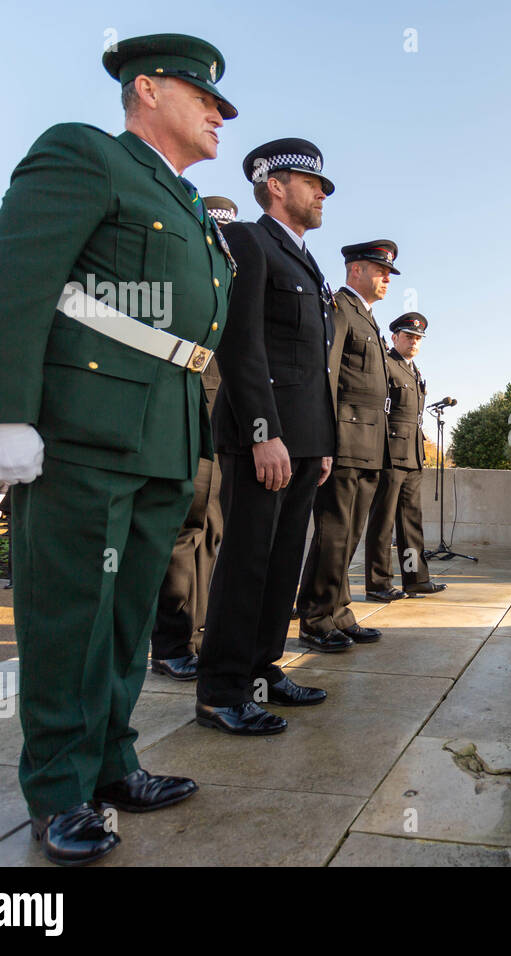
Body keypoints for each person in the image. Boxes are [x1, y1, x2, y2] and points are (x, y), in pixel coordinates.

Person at [0, 33, 237, 864]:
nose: (218, 115)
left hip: (163, 431)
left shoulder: (189, 203)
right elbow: (15, 275)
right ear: (147, 89)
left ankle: (112, 762)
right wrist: (3, 414)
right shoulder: (84, 154)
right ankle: (59, 790)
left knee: (125, 619)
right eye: (205, 99)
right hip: (85, 425)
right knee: (69, 614)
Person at [197, 141, 338, 734]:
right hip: (267, 436)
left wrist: (321, 442)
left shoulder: (306, 259)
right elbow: (241, 343)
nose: (322, 194)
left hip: (304, 440)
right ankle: (221, 692)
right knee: (248, 560)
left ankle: (261, 670)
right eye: (313, 185)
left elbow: (311, 363)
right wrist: (263, 432)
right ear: (275, 186)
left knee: (282, 563)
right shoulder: (251, 243)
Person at [149, 196, 237, 682]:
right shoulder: (184, 271)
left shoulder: (228, 281)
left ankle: (195, 634)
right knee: (185, 533)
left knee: (212, 532)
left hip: (222, 419)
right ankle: (169, 643)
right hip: (189, 413)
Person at [296, 240, 399, 645]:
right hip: (343, 441)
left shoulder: (368, 318)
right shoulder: (339, 309)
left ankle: (339, 611)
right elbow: (327, 373)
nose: (386, 278)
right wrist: (325, 441)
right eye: (379, 270)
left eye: (388, 273)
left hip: (369, 446)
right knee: (333, 533)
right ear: (355, 270)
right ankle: (316, 616)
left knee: (351, 533)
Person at [364, 313, 447, 601]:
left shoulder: (414, 371)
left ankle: (415, 579)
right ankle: (378, 584)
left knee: (411, 523)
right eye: (409, 336)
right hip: (388, 454)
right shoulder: (386, 365)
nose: (414, 342)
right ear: (395, 337)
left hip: (412, 456)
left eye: (418, 338)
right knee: (382, 522)